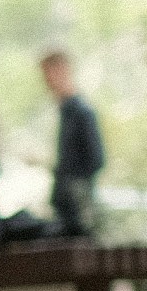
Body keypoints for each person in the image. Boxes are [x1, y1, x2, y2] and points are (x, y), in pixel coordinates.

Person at [41, 49, 103, 243]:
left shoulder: (81, 112)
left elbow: (96, 159)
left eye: (48, 73)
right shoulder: (65, 112)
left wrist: (72, 184)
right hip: (64, 207)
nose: (46, 81)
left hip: (77, 211)